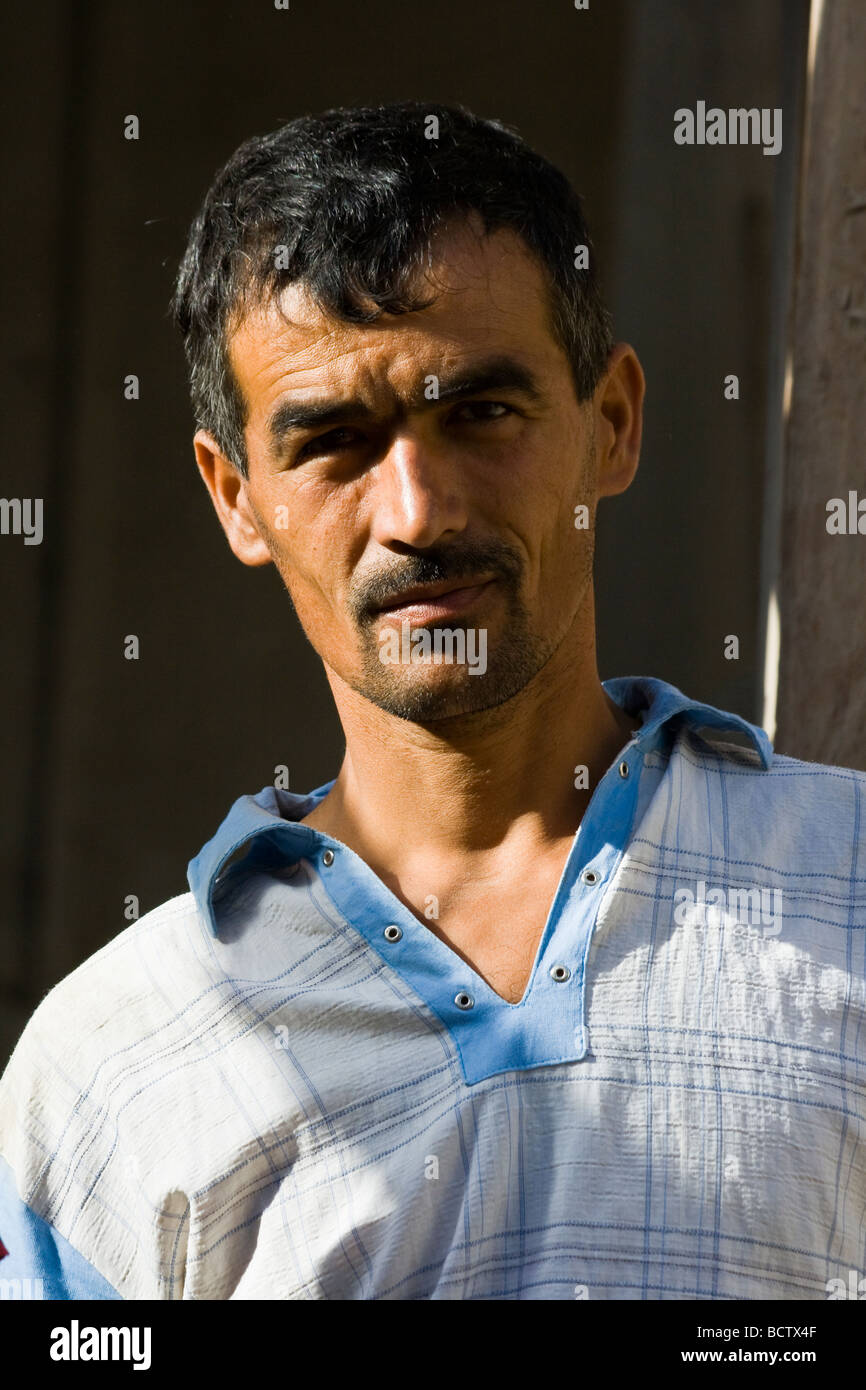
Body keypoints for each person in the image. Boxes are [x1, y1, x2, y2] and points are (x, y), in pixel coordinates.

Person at [1, 100, 864, 1302]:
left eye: (481, 413)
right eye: (333, 442)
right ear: (235, 495)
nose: (416, 511)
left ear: (608, 425)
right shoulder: (113, 1060)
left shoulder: (849, 880)